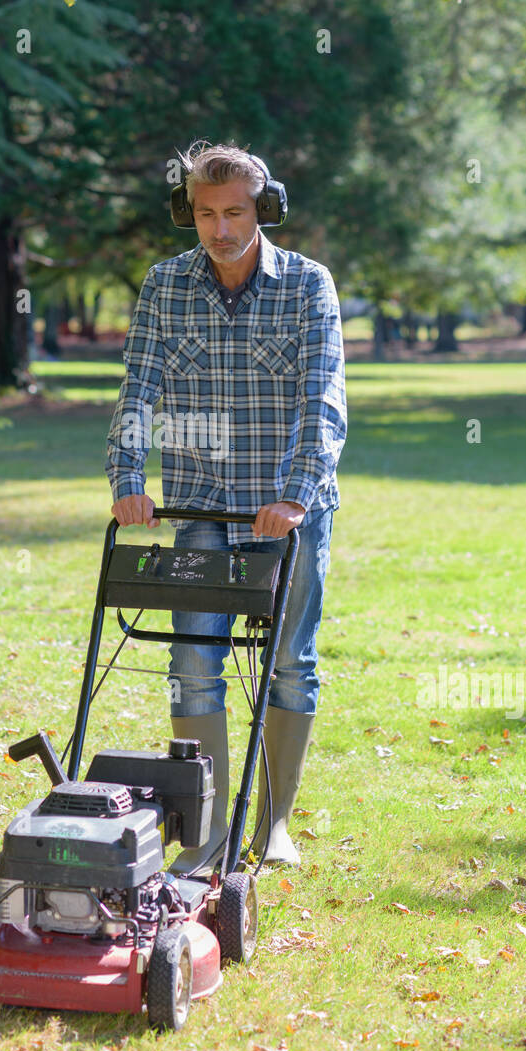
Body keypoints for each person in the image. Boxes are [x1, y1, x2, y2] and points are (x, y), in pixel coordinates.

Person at [105, 140, 347, 874]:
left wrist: (295, 494)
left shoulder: (308, 286)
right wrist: (126, 479)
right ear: (189, 211)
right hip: (199, 505)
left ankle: (272, 827)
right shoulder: (165, 285)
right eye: (205, 214)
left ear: (263, 208)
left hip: (286, 507)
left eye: (234, 212)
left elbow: (322, 400)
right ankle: (207, 835)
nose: (219, 229)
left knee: (289, 666)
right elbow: (137, 387)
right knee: (192, 660)